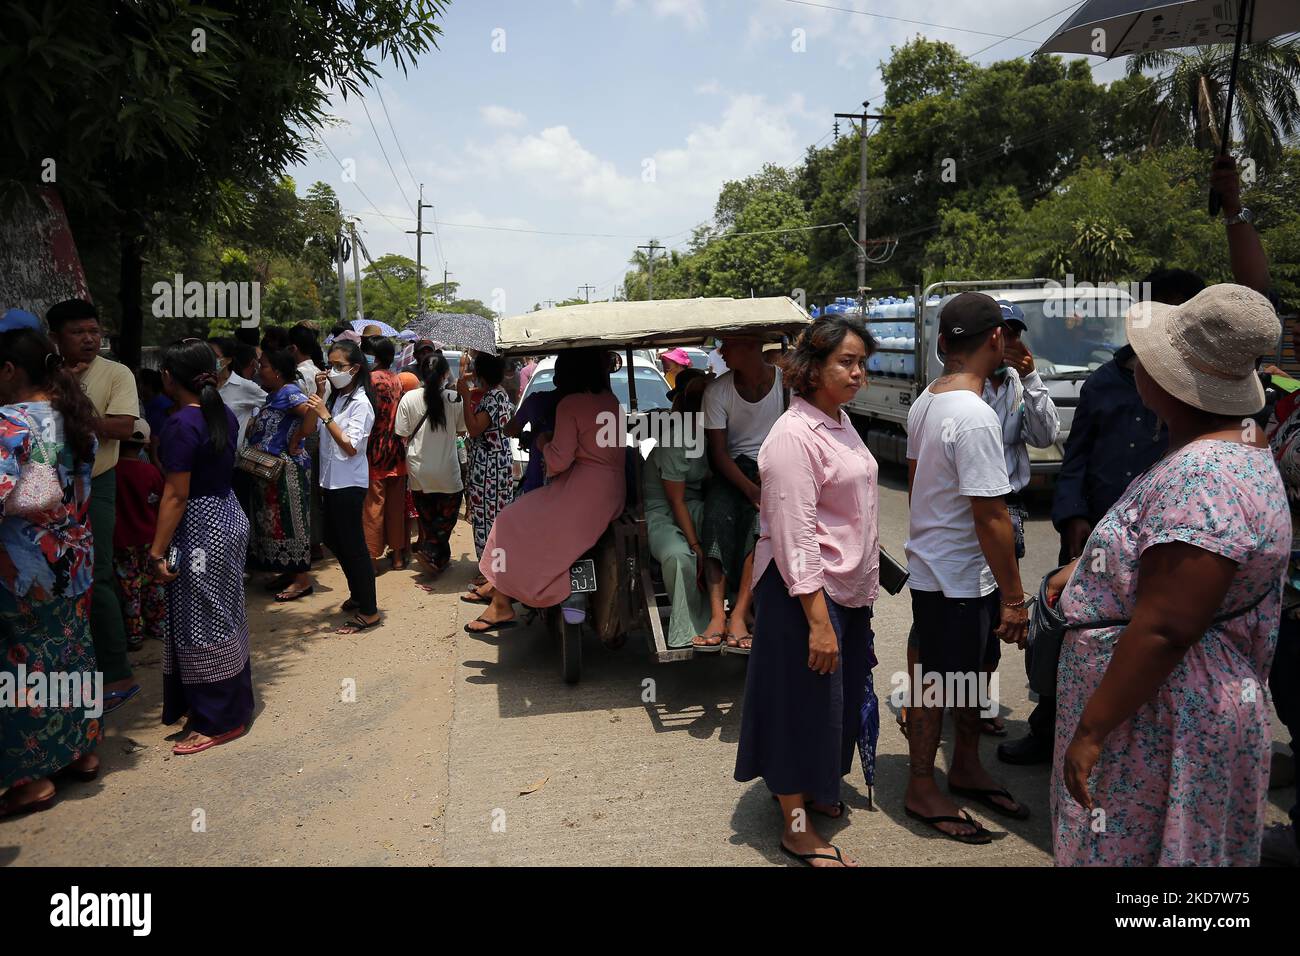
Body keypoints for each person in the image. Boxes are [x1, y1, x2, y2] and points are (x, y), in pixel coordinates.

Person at [1052, 284, 1288, 866]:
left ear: (1166, 381)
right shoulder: (1235, 448)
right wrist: (1092, 570)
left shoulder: (1201, 473)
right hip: (1175, 703)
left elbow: (1165, 627)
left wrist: (1091, 732)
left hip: (1162, 715)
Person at [734, 316, 879, 867]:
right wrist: (818, 622)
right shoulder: (793, 437)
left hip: (845, 592)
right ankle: (795, 827)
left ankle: (812, 790)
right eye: (846, 361)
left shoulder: (840, 422)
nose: (857, 372)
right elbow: (795, 538)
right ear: (812, 367)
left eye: (862, 362)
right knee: (797, 707)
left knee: (830, 703)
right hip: (804, 597)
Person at [903, 292, 1030, 844]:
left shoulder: (926, 401)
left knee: (976, 671)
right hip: (954, 575)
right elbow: (992, 517)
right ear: (997, 340)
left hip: (951, 571)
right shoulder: (975, 417)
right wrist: (1015, 597)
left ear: (941, 344)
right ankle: (919, 785)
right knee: (939, 681)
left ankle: (967, 765)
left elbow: (915, 484)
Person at [0, 329, 101, 816]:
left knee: (21, 666)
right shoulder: (73, 417)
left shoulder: (11, 426)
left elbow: (22, 497)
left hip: (24, 568)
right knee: (71, 650)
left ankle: (32, 779)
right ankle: (81, 751)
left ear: (9, 371)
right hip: (75, 558)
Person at [467, 349, 627, 633]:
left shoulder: (570, 405)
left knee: (510, 520)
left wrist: (542, 442)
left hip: (582, 493)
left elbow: (558, 460)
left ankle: (503, 602)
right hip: (613, 492)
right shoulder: (611, 401)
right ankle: (504, 594)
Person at [148, 340, 253, 756]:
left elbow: (176, 495)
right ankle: (222, 704)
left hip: (199, 530)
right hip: (227, 518)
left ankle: (219, 717)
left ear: (170, 379)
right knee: (224, 611)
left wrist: (156, 551)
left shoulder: (178, 425)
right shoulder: (220, 413)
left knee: (201, 619)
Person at [47, 298, 139, 713]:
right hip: (50, 489)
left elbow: (123, 427)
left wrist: (71, 417)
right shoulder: (43, 373)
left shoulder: (116, 373)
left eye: (93, 331)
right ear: (56, 337)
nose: (88, 339)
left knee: (98, 574)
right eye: (78, 332)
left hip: (98, 482)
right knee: (54, 581)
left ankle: (118, 671)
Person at [700, 336, 785, 652]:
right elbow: (719, 454)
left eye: (728, 345)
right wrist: (751, 490)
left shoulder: (785, 385)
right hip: (733, 471)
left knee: (758, 530)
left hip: (774, 470)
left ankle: (738, 614)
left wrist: (765, 488)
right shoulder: (717, 391)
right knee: (715, 520)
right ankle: (716, 615)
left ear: (752, 346)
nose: (721, 352)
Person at [305, 340, 380, 634]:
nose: (332, 370)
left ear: (355, 368)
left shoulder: (361, 403)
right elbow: (311, 428)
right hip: (331, 480)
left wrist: (326, 414)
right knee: (333, 539)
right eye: (330, 364)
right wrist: (320, 396)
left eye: (339, 366)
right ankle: (359, 594)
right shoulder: (337, 398)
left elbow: (350, 447)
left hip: (349, 482)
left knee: (354, 546)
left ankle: (369, 610)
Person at [643, 369, 713, 649]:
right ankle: (686, 630)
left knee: (727, 540)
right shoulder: (677, 437)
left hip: (693, 504)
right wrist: (695, 544)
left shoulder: (712, 435)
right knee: (679, 556)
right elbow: (675, 501)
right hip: (663, 509)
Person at [245, 348, 318, 602]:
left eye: (263, 365)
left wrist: (298, 437)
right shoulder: (273, 395)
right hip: (270, 474)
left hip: (287, 472)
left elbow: (312, 416)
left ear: (276, 371)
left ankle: (301, 580)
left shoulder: (290, 393)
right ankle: (288, 572)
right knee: (275, 525)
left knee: (291, 523)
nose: (258, 370)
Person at [397, 352, 466, 578]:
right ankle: (430, 550)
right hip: (447, 469)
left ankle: (437, 557)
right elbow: (462, 430)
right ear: (446, 373)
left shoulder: (408, 399)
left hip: (418, 469)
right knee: (446, 517)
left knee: (428, 517)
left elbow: (402, 432)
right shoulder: (455, 399)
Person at [457, 351, 515, 601]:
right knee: (495, 520)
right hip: (498, 464)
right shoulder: (501, 394)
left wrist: (465, 396)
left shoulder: (492, 397)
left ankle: (490, 576)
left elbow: (474, 428)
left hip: (489, 468)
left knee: (485, 520)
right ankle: (494, 572)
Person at [113, 419, 166, 651]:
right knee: (154, 583)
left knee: (129, 585)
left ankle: (134, 633)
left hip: (123, 539)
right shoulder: (151, 471)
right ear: (144, 445)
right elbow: (161, 502)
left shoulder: (111, 473)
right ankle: (157, 625)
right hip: (150, 538)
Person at [360, 337, 409, 571]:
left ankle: (371, 557)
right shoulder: (397, 380)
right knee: (395, 507)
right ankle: (398, 556)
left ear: (375, 356)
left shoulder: (369, 380)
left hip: (375, 449)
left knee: (374, 506)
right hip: (397, 449)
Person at [210, 337, 266, 451]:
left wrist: (254, 422)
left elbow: (273, 404)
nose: (208, 360)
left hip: (231, 459)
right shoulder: (200, 385)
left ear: (228, 360)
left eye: (214, 356)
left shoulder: (244, 386)